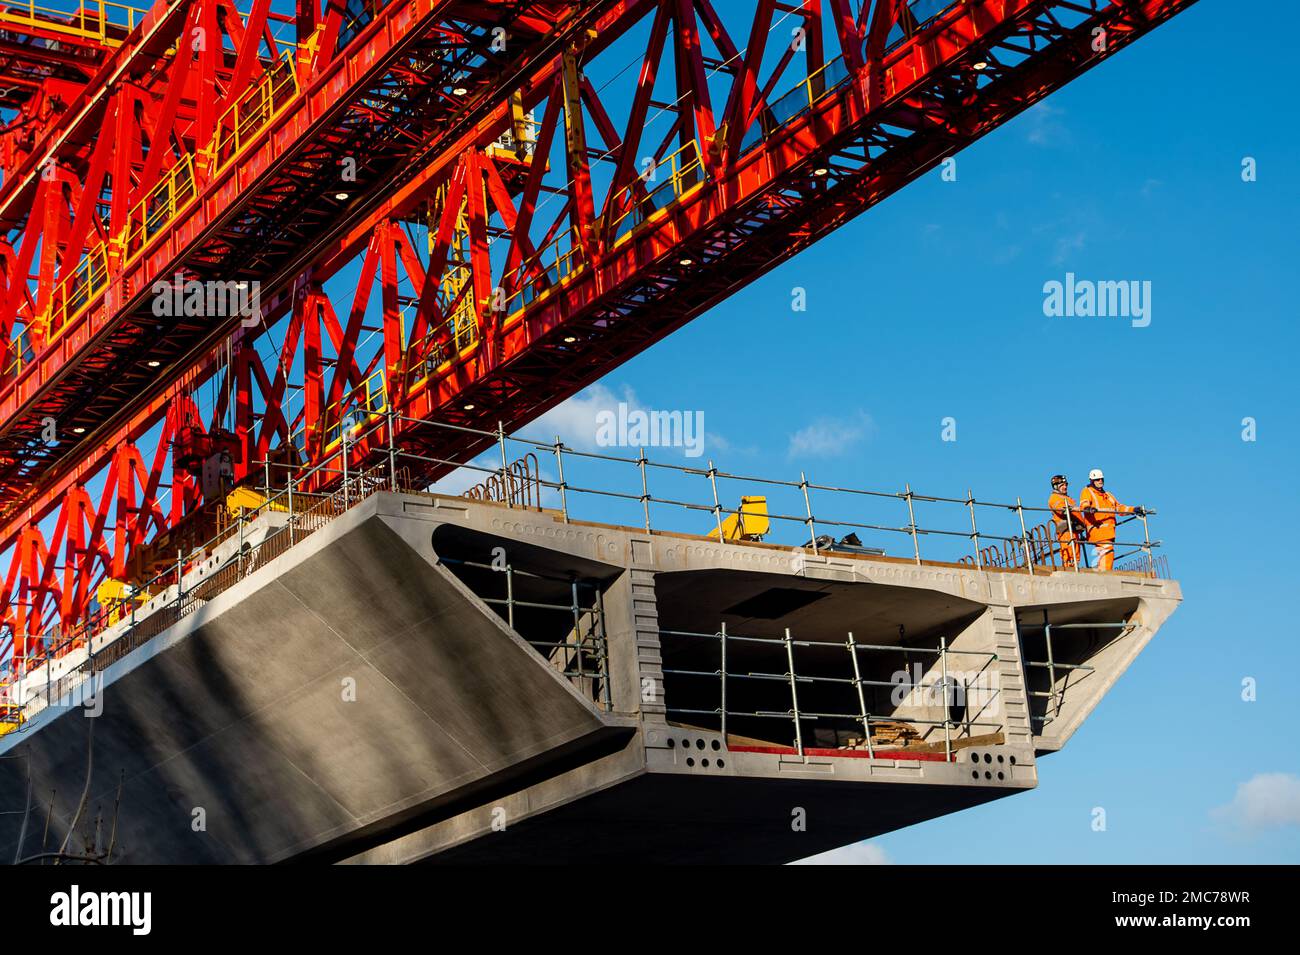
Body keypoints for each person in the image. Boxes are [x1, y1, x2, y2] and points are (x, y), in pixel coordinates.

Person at [1079, 468, 1146, 571]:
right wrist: (1089, 509)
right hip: (1097, 530)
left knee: (1106, 553)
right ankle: (1105, 575)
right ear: (1092, 481)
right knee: (1107, 551)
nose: (1100, 481)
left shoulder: (1108, 495)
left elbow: (1119, 508)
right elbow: (1084, 505)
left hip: (1109, 532)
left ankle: (1103, 573)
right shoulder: (1087, 492)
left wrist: (1134, 509)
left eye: (1102, 479)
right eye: (1097, 479)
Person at [1047, 474, 1087, 569]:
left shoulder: (1067, 498)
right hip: (1065, 531)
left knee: (1076, 555)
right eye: (1062, 485)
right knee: (1068, 554)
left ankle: (1075, 570)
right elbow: (1061, 509)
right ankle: (1069, 570)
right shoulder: (1054, 498)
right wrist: (1074, 509)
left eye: (1066, 485)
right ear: (1056, 487)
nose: (1065, 487)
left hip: (1074, 530)